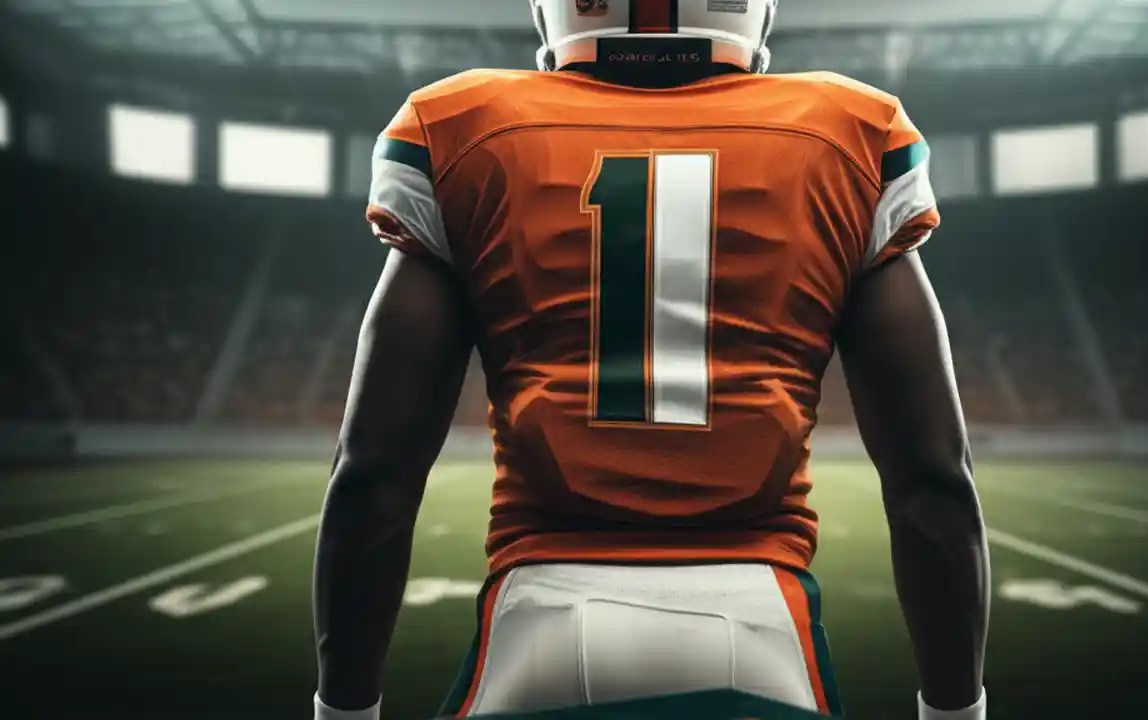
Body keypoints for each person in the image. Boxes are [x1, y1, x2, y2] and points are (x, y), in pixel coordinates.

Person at [313, 1, 989, 718]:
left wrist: (343, 712)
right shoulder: (852, 134)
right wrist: (956, 712)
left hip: (536, 621)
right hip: (762, 625)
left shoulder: (464, 128)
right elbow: (932, 481)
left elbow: (375, 477)